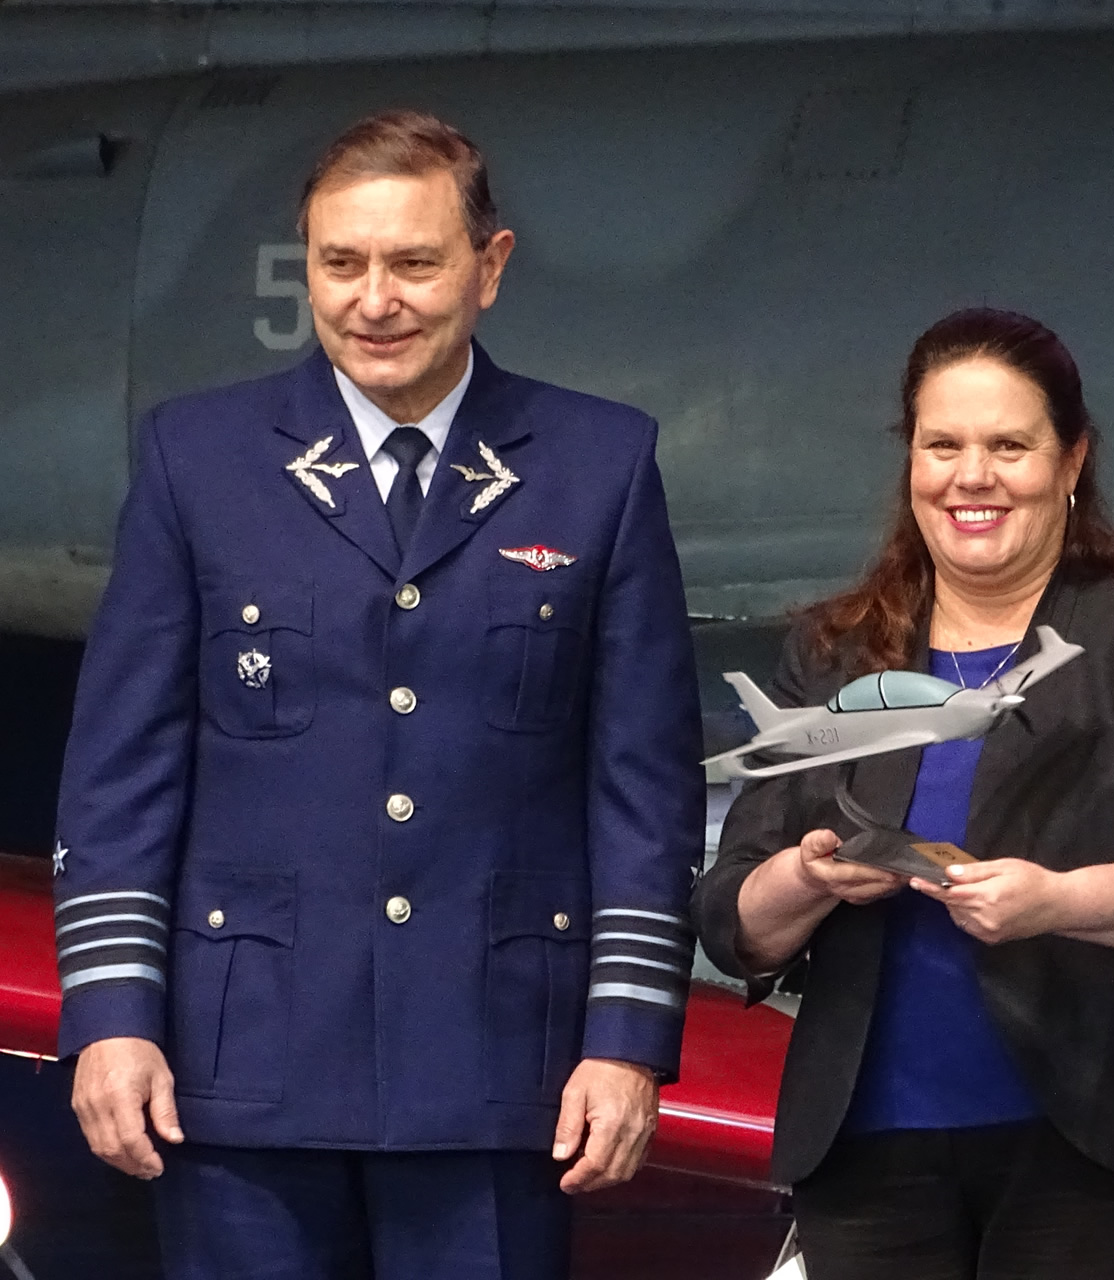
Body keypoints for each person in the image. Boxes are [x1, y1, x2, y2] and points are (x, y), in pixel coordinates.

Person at [53, 110, 704, 1280]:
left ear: (489, 268)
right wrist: (108, 1016)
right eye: (339, 264)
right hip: (237, 1065)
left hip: (502, 1070)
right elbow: (119, 779)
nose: (373, 300)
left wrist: (627, 1039)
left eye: (413, 263)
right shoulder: (195, 457)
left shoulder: (597, 463)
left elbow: (642, 784)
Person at [692, 307, 1114, 1279]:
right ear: (910, 461)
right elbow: (730, 917)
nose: (972, 475)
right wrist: (807, 876)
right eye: (943, 444)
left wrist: (1055, 900)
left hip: (1100, 1149)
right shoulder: (832, 652)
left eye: (1010, 445)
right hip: (869, 1157)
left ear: (1071, 458)